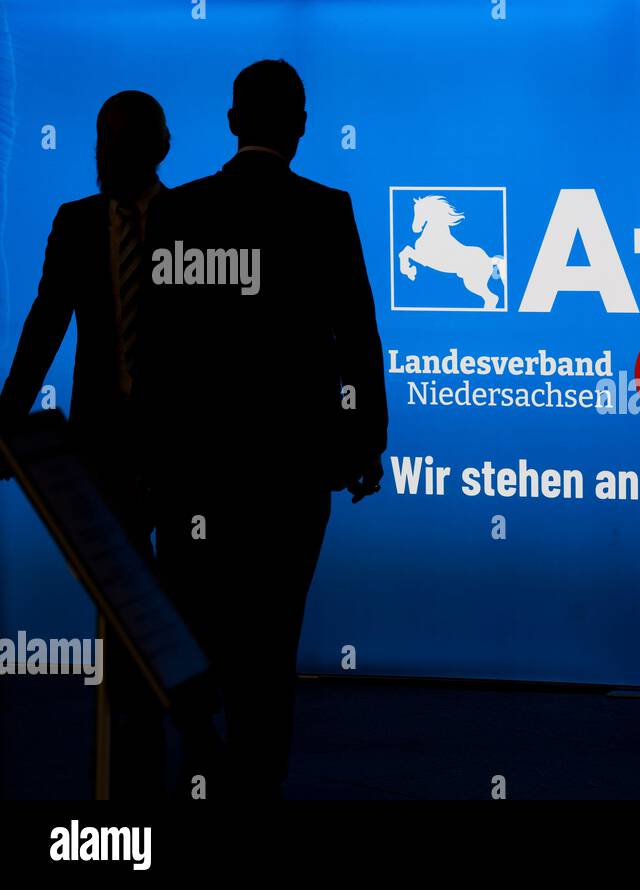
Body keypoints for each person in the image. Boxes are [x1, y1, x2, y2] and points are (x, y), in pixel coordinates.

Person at [134, 59, 388, 797]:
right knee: (272, 642)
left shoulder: (178, 212)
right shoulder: (325, 211)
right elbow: (358, 338)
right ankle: (254, 780)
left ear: (233, 122)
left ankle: (198, 757)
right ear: (300, 125)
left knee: (193, 629)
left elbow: (153, 348)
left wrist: (153, 458)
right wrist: (366, 441)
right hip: (290, 474)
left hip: (194, 476)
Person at [0, 90, 175, 798]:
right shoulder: (75, 222)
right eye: (101, 142)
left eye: (122, 144)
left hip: (182, 447)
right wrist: (7, 418)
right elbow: (45, 323)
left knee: (180, 597)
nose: (105, 157)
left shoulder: (194, 221)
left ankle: (173, 737)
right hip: (103, 443)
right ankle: (127, 755)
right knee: (122, 601)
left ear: (158, 148)